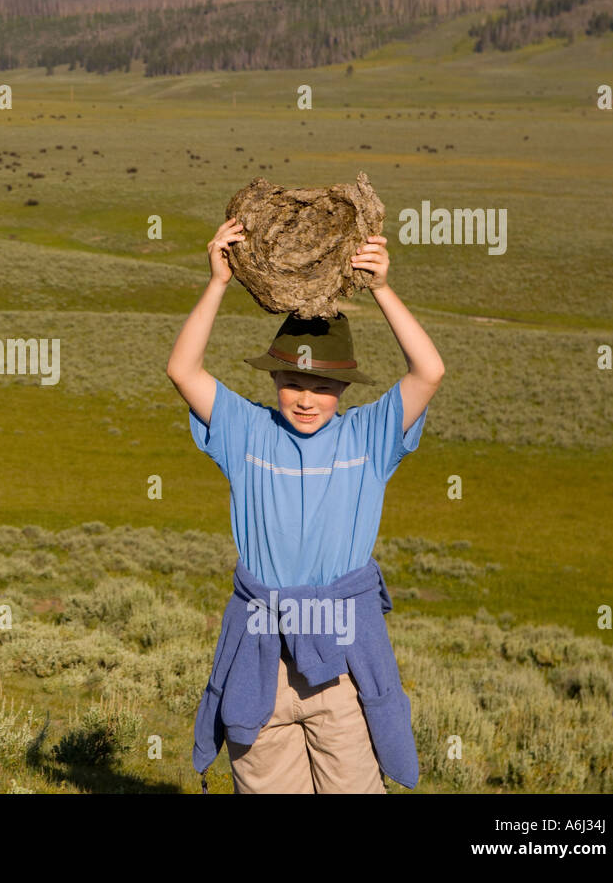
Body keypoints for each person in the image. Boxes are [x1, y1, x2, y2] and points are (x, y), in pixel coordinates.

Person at [166, 217, 444, 793]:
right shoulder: (248, 430)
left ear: (346, 388)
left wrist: (383, 289)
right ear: (273, 380)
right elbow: (182, 370)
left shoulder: (370, 437)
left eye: (323, 387)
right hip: (259, 665)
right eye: (293, 382)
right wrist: (217, 282)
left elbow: (429, 371)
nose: (307, 399)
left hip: (340, 665)